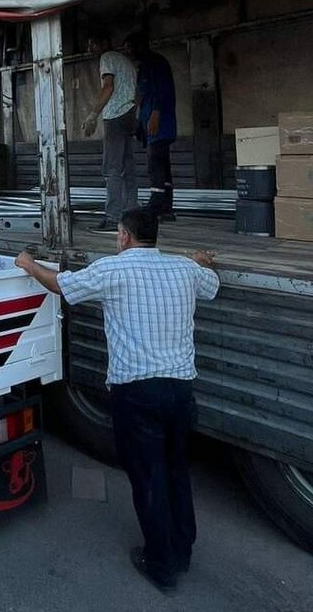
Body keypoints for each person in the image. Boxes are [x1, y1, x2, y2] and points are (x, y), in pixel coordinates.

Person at [15, 208, 218, 592]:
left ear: (124, 237)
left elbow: (61, 285)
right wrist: (200, 261)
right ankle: (182, 551)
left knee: (149, 478)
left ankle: (161, 565)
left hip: (138, 393)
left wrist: (27, 263)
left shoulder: (114, 270)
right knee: (175, 471)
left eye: (118, 235)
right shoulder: (184, 269)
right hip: (179, 391)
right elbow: (211, 283)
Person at [81, 29, 138, 231]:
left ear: (101, 44)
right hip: (130, 113)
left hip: (115, 116)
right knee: (127, 168)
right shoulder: (125, 61)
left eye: (91, 45)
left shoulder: (107, 58)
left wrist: (93, 115)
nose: (90, 49)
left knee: (112, 169)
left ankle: (113, 218)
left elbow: (108, 87)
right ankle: (132, 215)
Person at [126, 31, 177, 221]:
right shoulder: (144, 67)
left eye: (130, 48)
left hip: (160, 121)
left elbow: (163, 90)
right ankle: (165, 207)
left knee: (156, 162)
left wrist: (155, 114)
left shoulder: (157, 63)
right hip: (150, 121)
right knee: (161, 163)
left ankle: (157, 204)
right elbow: (141, 94)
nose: (129, 53)